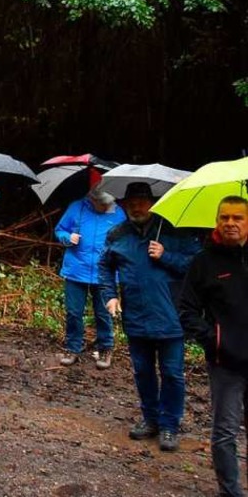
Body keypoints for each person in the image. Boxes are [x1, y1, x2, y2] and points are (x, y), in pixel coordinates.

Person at [98, 181, 197, 451]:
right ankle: (150, 419)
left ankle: (169, 426)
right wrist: (110, 295)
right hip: (136, 317)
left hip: (170, 318)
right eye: (131, 202)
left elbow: (196, 265)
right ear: (124, 205)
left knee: (173, 374)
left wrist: (166, 256)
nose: (136, 206)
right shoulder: (117, 234)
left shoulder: (174, 232)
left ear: (153, 202)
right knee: (143, 372)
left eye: (142, 201)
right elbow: (105, 267)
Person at [179, 195, 248, 496]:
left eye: (238, 218)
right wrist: (214, 341)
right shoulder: (204, 262)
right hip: (226, 364)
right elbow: (187, 310)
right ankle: (230, 492)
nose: (230, 223)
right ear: (217, 220)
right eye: (225, 217)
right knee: (225, 434)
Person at [55, 187, 125, 368]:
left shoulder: (119, 214)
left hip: (105, 273)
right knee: (73, 313)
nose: (106, 207)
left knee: (103, 314)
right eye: (102, 204)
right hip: (76, 270)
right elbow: (60, 230)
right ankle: (72, 348)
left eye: (108, 204)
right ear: (92, 200)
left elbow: (127, 241)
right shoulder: (76, 208)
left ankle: (105, 349)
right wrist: (67, 237)